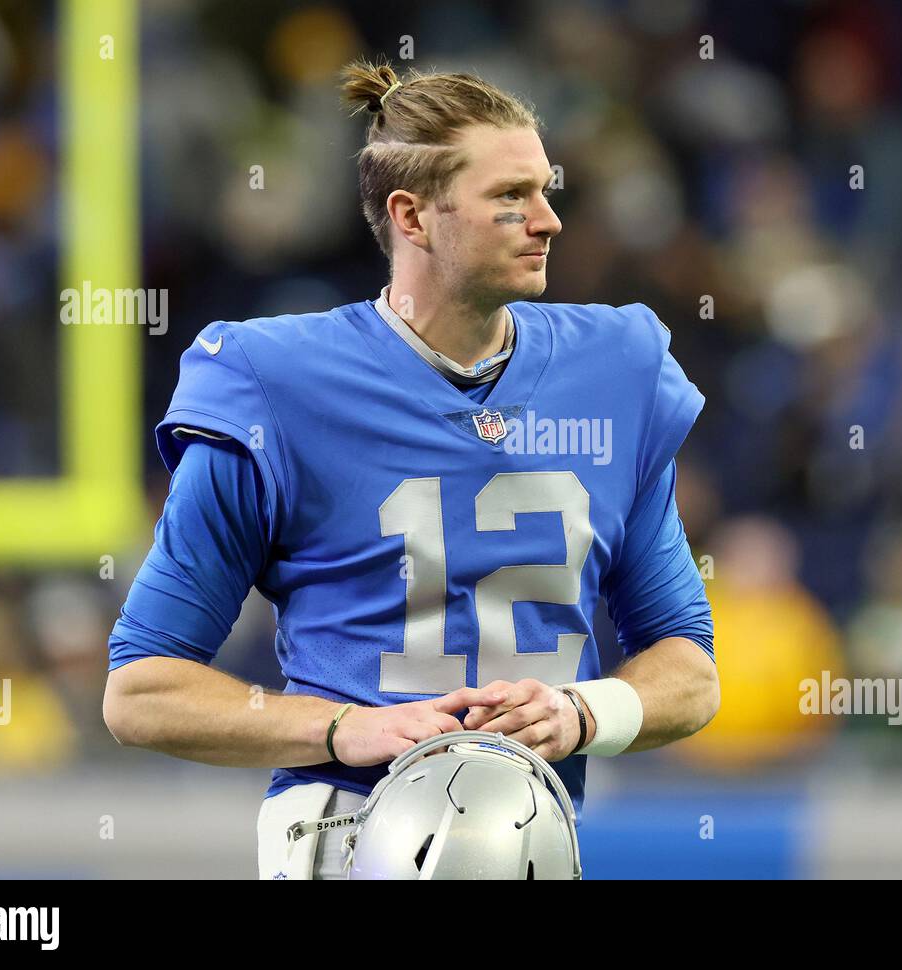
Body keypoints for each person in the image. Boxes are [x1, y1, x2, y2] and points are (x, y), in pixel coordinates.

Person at [102, 59, 718, 879]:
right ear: (414, 216)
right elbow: (141, 691)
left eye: (545, 189)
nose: (548, 220)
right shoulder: (277, 380)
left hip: (529, 845)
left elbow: (690, 669)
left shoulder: (615, 368)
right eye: (512, 197)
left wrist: (578, 710)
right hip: (343, 840)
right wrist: (340, 728)